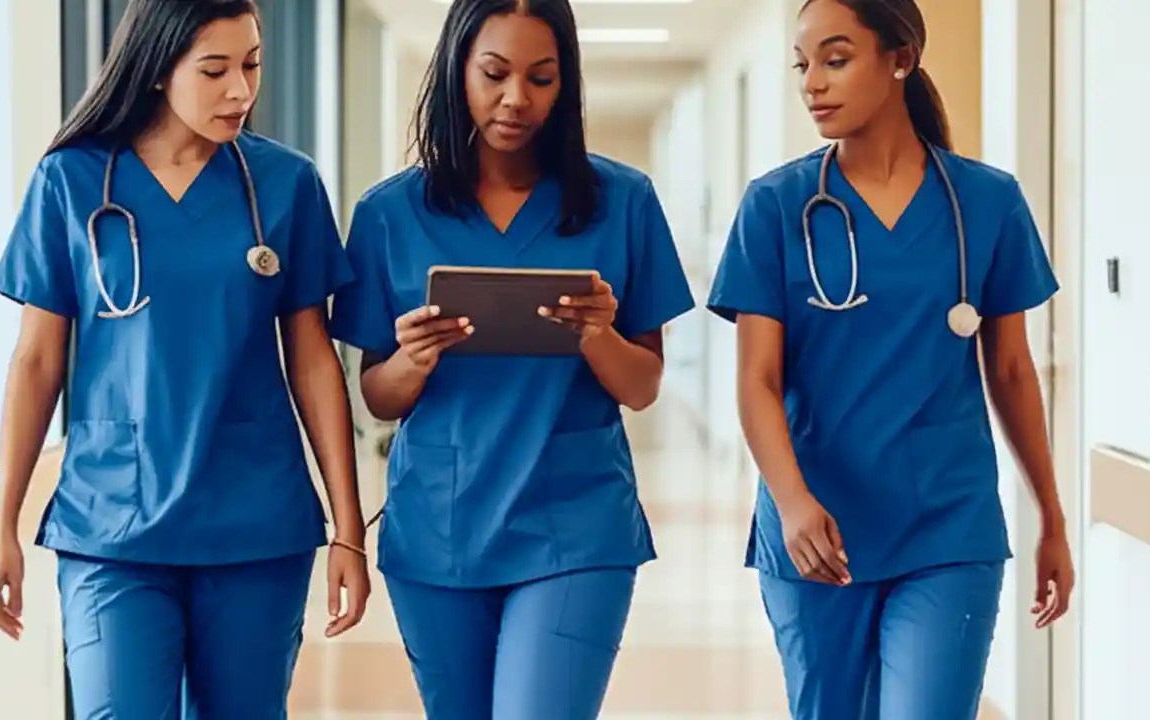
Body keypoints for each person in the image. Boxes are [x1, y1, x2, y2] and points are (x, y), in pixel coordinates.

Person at [0, 1, 370, 717]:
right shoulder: (72, 183)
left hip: (254, 524)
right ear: (158, 70)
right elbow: (36, 363)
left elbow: (314, 362)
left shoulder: (286, 185)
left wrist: (349, 527)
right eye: (214, 70)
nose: (240, 92)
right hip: (111, 525)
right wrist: (0, 528)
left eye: (251, 65)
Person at [705, 1, 1074, 718]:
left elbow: (1011, 372)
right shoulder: (777, 207)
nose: (812, 82)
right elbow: (757, 379)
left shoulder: (987, 204)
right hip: (818, 532)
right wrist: (792, 501)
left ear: (900, 57)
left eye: (835, 59)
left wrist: (1052, 520)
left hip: (947, 525)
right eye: (802, 64)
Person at [328, 0, 695, 717]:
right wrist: (414, 358)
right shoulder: (390, 213)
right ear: (457, 70)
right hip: (439, 528)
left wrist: (596, 335)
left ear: (568, 85)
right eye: (494, 74)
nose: (516, 99)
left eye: (542, 78)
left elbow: (644, 385)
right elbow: (378, 395)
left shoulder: (622, 202)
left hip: (575, 527)